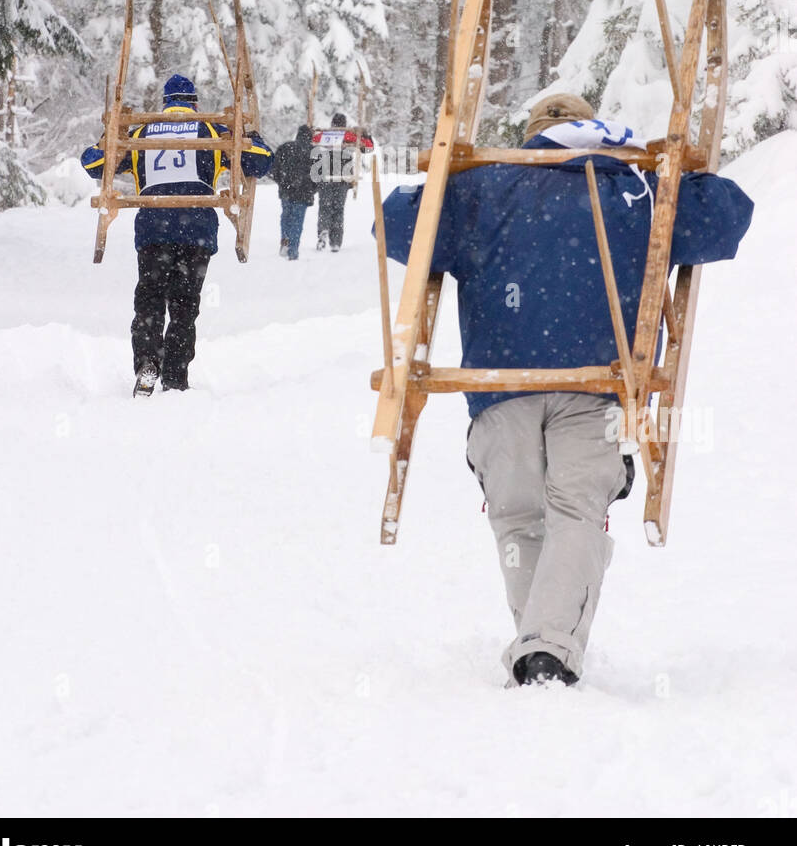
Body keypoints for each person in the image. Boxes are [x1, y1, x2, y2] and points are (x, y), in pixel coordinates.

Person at [379, 93, 754, 688]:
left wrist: (443, 174)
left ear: (530, 137)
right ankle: (547, 651)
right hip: (600, 385)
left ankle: (542, 650)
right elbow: (726, 217)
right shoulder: (633, 190)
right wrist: (678, 166)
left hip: (501, 389)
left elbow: (395, 225)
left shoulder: (481, 191)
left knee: (518, 518)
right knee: (577, 511)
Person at [81, 74, 273, 396]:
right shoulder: (210, 129)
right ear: (193, 102)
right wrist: (248, 135)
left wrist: (110, 136)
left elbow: (95, 165)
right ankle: (175, 377)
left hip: (154, 228)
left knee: (150, 300)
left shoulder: (142, 130)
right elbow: (259, 163)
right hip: (196, 231)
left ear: (166, 104)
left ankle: (147, 362)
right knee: (185, 306)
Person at [313, 112, 374, 251]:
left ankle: (323, 230)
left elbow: (312, 140)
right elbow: (368, 147)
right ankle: (335, 241)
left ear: (332, 124)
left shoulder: (324, 136)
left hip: (325, 175)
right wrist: (364, 134)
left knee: (324, 207)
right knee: (338, 209)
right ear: (345, 124)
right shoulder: (350, 136)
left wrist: (313, 130)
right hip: (343, 177)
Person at [271, 124, 315, 260]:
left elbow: (274, 168)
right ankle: (293, 249)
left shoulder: (285, 148)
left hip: (286, 190)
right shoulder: (314, 152)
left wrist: (282, 182)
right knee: (297, 221)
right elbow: (319, 175)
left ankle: (285, 240)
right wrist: (313, 189)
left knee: (286, 217)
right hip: (304, 192)